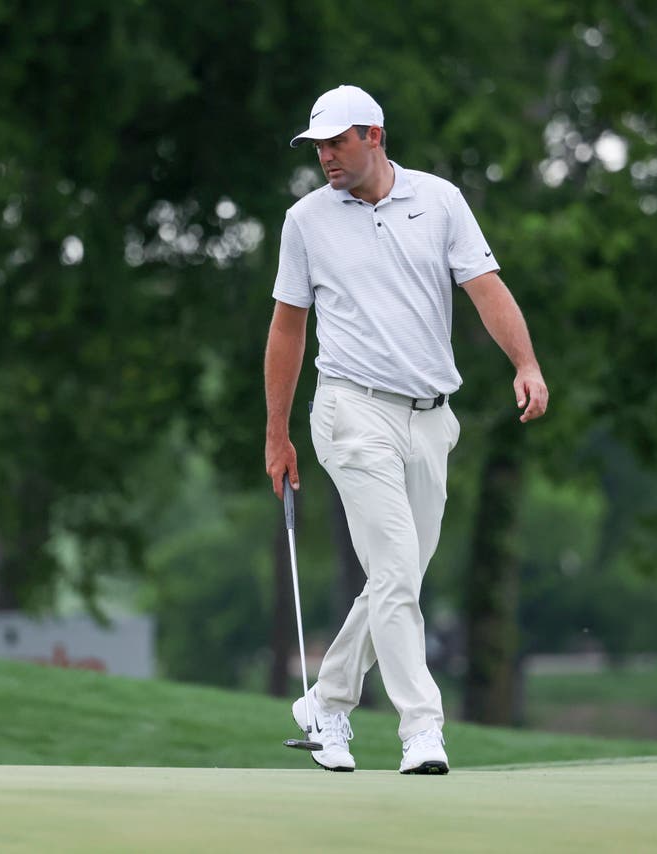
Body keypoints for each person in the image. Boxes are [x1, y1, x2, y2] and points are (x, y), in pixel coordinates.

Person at [263, 84, 548, 774]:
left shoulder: (440, 201)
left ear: (374, 136)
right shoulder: (305, 222)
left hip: (431, 419)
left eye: (338, 142)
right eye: (319, 146)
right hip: (350, 410)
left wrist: (526, 362)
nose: (326, 156)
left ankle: (327, 703)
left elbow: (485, 287)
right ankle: (422, 728)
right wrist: (277, 431)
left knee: (401, 580)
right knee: (393, 571)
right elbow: (287, 329)